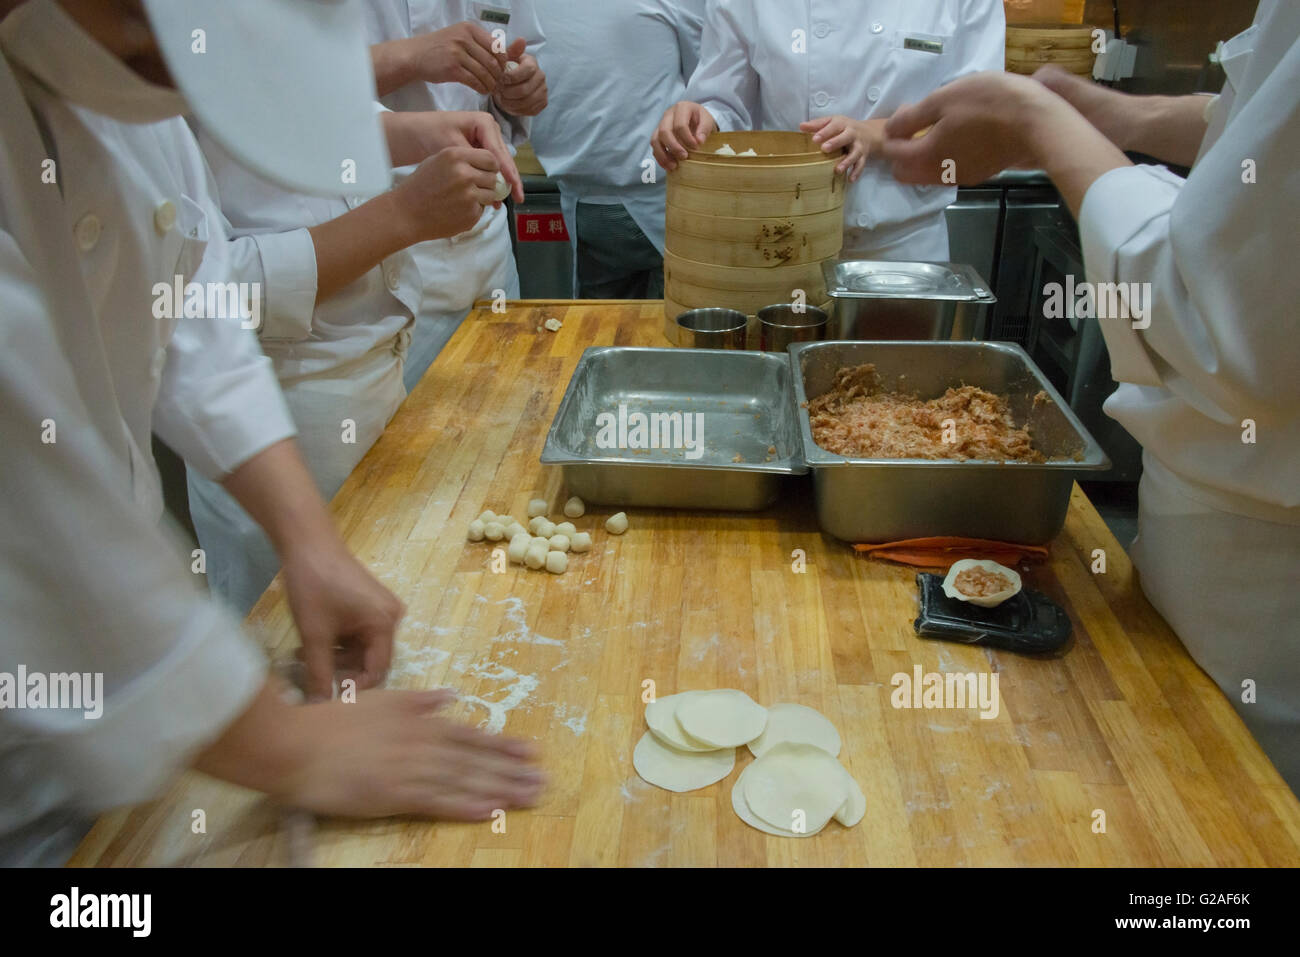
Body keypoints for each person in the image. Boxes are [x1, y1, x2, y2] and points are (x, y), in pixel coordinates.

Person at [0, 0, 541, 866]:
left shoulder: (134, 101)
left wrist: (307, 538)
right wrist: (288, 750)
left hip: (128, 714)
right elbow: (23, 504)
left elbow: (194, 304)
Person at [880, 1, 1300, 788]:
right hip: (1211, 541)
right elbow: (1260, 133)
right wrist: (1118, 114)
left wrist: (1039, 123)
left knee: (1230, 816)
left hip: (1268, 599)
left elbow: (1212, 311)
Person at [188, 106, 522, 615]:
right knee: (288, 645)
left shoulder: (280, 43)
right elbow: (196, 296)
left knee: (396, 616)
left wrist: (406, 133)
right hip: (275, 413)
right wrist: (401, 215)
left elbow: (304, 117)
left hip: (380, 383)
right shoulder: (148, 92)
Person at [652, 0, 1005, 261]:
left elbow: (978, 123)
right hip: (780, 243)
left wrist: (875, 136)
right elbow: (726, 103)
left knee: (900, 362)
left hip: (902, 250)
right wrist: (701, 119)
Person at [367, 1, 547, 391]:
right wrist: (410, 57)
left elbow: (519, 57)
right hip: (379, 249)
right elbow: (279, 85)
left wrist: (517, 91)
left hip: (488, 238)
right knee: (401, 444)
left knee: (505, 418)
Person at [528, 0, 705, 298]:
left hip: (670, 195)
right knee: (605, 332)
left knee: (677, 329)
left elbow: (711, 84)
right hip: (581, 201)